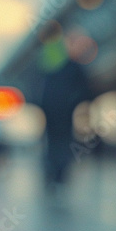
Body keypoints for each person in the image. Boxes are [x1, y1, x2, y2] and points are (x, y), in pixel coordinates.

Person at [37, 35, 92, 193]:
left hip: (52, 111)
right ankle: (59, 175)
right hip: (65, 113)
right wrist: (77, 103)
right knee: (63, 143)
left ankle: (52, 173)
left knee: (52, 143)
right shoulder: (74, 68)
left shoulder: (50, 68)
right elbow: (84, 90)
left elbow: (42, 90)